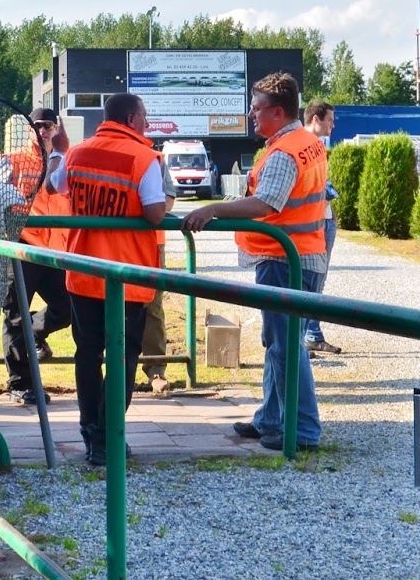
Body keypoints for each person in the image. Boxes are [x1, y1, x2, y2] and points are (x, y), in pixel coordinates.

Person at [182, 72, 326, 451]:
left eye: (256, 108)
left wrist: (213, 208)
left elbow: (265, 204)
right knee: (279, 342)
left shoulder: (282, 154)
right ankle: (271, 421)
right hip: (301, 254)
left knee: (285, 347)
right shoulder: (306, 142)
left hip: (284, 258)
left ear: (278, 112)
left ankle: (304, 431)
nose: (250, 114)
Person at [61, 93, 167, 466]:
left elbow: (54, 188)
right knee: (123, 354)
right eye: (144, 116)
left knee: (88, 352)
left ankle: (90, 431)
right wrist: (168, 204)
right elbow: (155, 213)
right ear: (131, 118)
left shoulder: (78, 153)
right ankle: (108, 438)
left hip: (84, 272)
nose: (147, 123)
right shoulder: (143, 157)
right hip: (126, 275)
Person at [1, 108, 74, 405]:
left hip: (54, 249)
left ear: (56, 128)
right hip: (23, 245)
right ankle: (20, 384)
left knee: (68, 307)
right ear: (28, 128)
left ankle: (32, 333)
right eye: (38, 125)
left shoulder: (65, 158)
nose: (44, 130)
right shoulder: (12, 160)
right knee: (15, 314)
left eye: (49, 125)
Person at [300, 100, 342, 356]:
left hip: (323, 219)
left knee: (318, 282)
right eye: (329, 120)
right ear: (315, 119)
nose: (333, 125)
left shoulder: (318, 145)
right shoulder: (304, 145)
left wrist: (331, 212)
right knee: (312, 282)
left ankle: (310, 334)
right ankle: (309, 335)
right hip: (313, 223)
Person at [139, 168, 178, 395]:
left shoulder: (155, 160)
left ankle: (156, 370)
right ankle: (114, 368)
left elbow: (168, 203)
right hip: (115, 241)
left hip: (151, 243)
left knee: (152, 305)